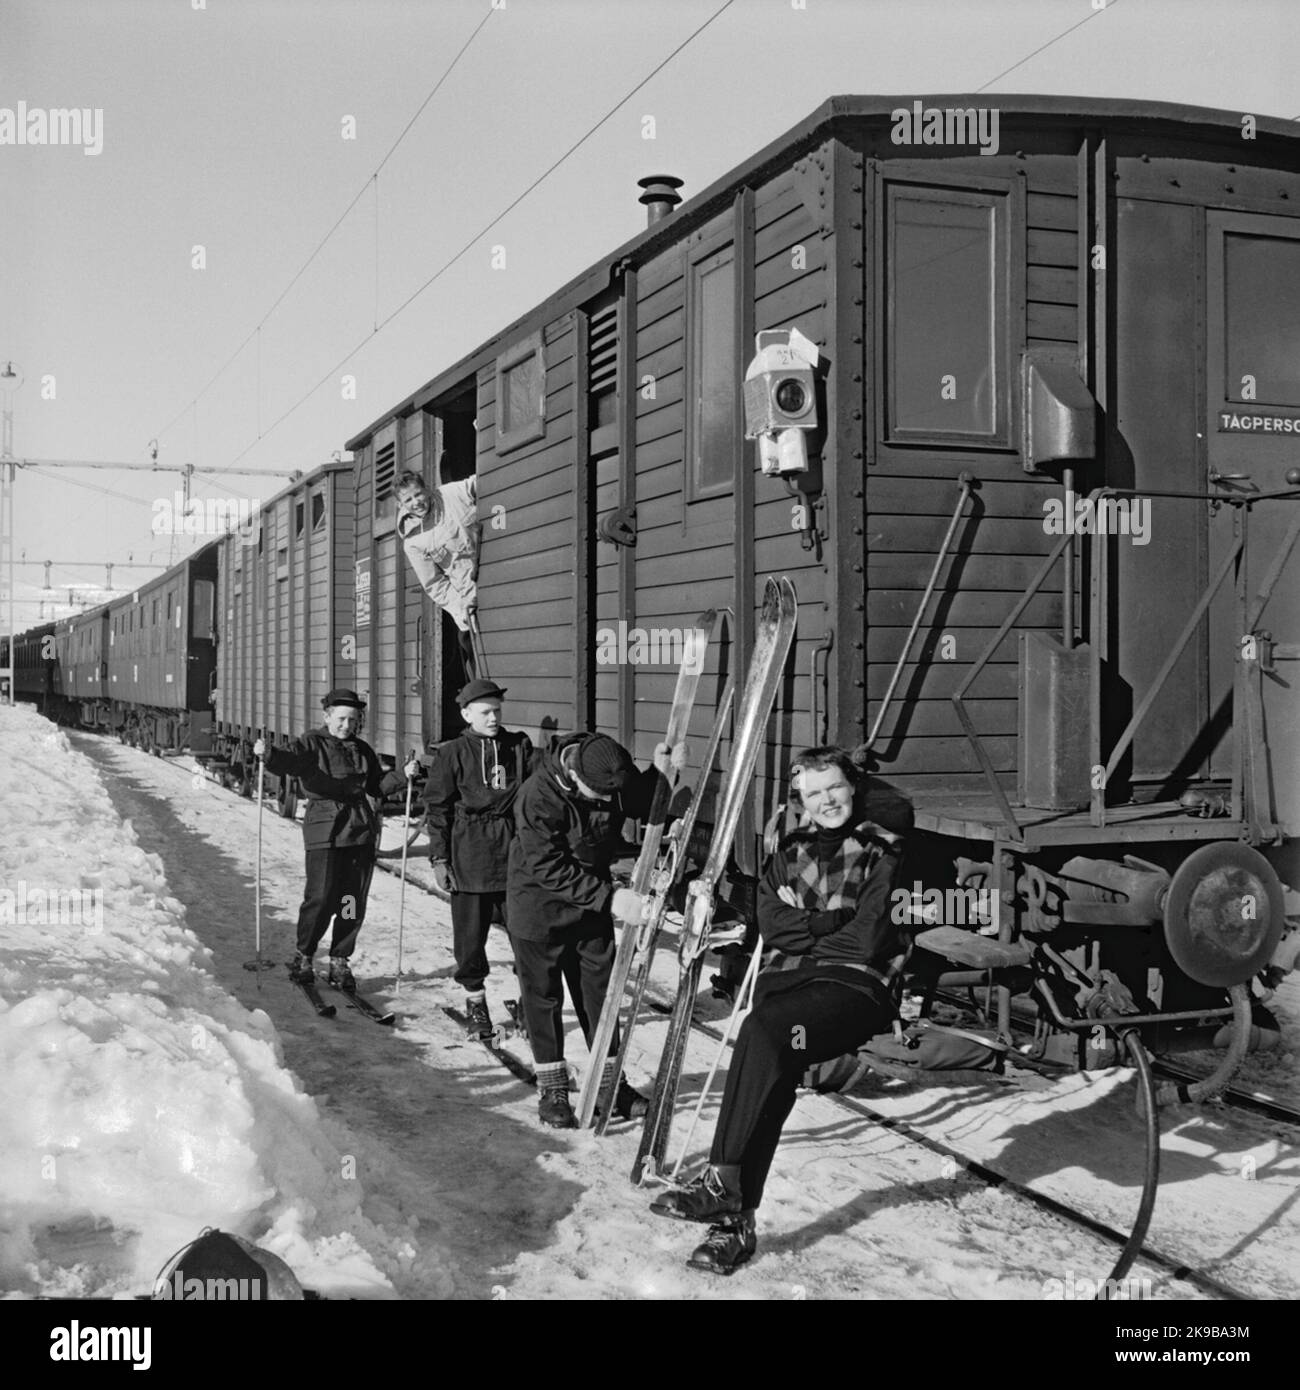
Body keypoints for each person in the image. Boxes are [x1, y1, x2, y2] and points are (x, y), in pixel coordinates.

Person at [649, 746, 913, 1275]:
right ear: (802, 801)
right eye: (813, 794)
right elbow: (770, 925)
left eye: (834, 788)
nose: (826, 801)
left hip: (856, 991)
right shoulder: (789, 850)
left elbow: (865, 943)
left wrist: (809, 926)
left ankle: (722, 1185)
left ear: (852, 787)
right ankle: (734, 1225)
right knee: (769, 1067)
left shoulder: (886, 853)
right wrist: (827, 921)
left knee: (763, 1030)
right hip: (790, 989)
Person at [507, 731, 684, 1129]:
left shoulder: (610, 770)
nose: (607, 803)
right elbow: (546, 866)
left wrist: (662, 775)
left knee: (600, 997)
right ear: (573, 774)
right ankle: (553, 1087)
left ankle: (610, 1085)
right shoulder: (538, 795)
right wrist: (611, 899)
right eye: (598, 796)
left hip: (591, 911)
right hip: (539, 909)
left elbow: (641, 802)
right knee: (543, 998)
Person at [255, 690, 418, 989]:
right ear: (327, 716)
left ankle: (340, 959)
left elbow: (376, 787)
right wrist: (269, 755)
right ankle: (304, 955)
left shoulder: (362, 749)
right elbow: (290, 760)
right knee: (321, 896)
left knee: (351, 899)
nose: (346, 725)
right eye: (341, 719)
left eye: (352, 720)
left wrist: (402, 775)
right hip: (325, 827)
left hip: (359, 829)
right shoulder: (312, 743)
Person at [422, 678, 534, 1038]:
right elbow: (437, 808)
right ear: (466, 713)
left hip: (512, 855)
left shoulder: (518, 746)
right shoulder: (453, 752)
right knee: (471, 940)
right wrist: (439, 859)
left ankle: (530, 1004)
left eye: (497, 711)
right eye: (485, 712)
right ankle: (476, 1002)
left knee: (527, 937)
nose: (493, 718)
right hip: (469, 855)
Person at [396, 470, 480, 678]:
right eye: (408, 499)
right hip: (472, 600)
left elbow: (484, 478)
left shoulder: (452, 493)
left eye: (418, 494)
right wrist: (463, 610)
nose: (416, 502)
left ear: (427, 489)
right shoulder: (412, 541)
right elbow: (435, 584)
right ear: (401, 504)